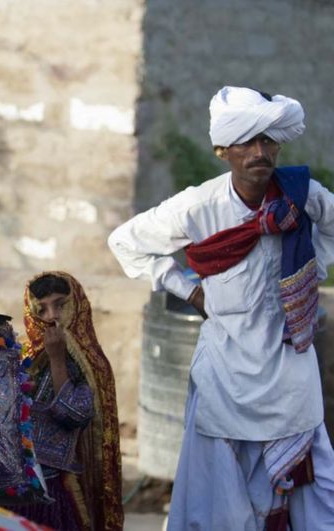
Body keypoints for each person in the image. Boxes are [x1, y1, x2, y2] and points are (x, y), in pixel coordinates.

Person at [108, 86, 334, 530]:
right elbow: (125, 243)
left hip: (290, 366)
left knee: (317, 494)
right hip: (225, 374)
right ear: (222, 150)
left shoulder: (299, 195)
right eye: (247, 142)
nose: (259, 151)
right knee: (221, 504)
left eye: (267, 140)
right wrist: (188, 290)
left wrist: (314, 268)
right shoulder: (199, 206)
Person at [17, 272, 123, 531]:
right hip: (22, 483)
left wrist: (57, 359)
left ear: (77, 305)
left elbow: (73, 414)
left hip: (60, 486)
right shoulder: (26, 357)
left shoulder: (90, 364)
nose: (52, 316)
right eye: (42, 309)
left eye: (60, 305)